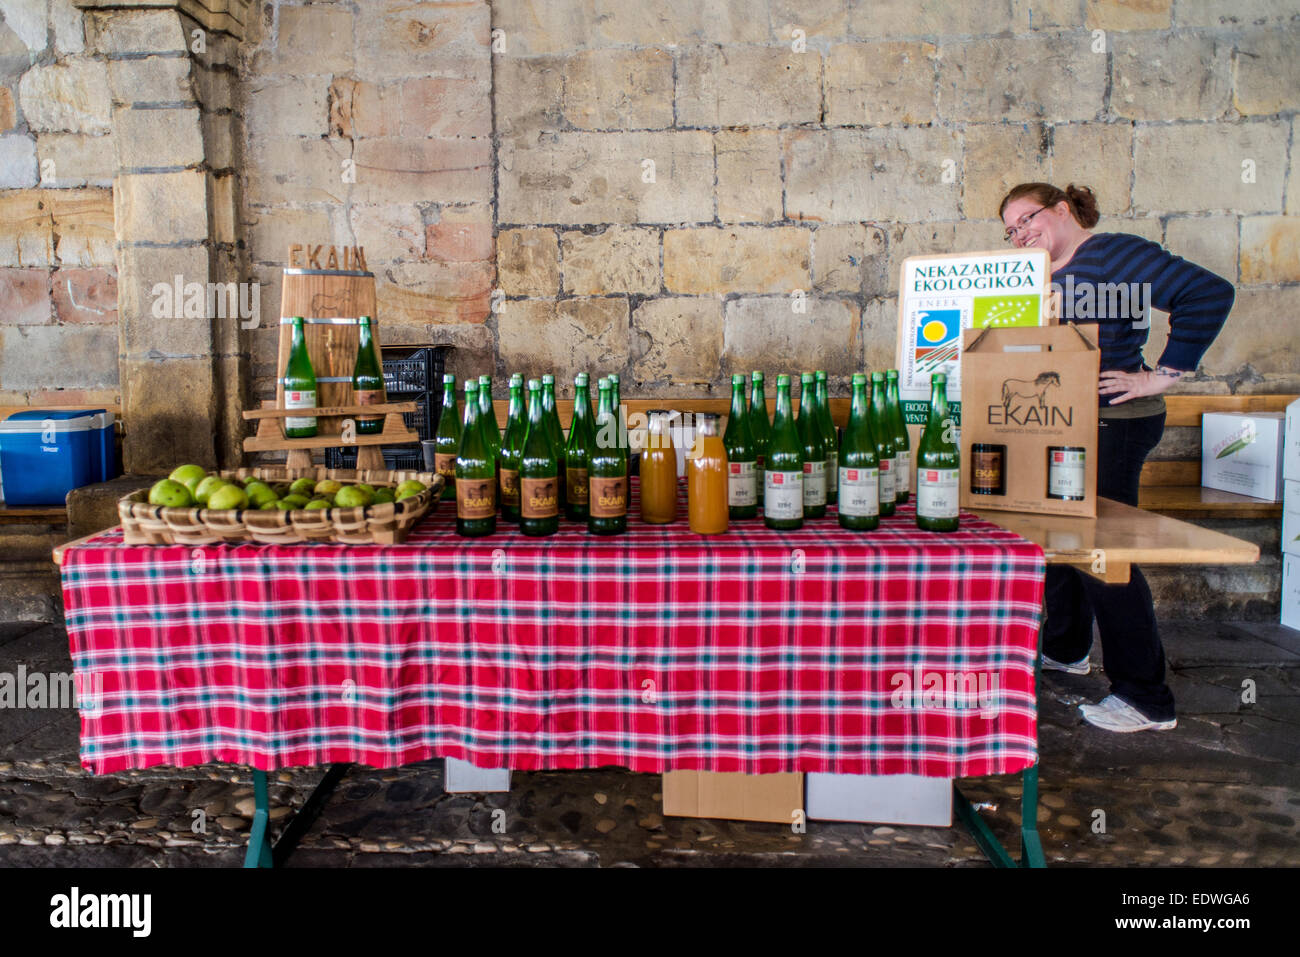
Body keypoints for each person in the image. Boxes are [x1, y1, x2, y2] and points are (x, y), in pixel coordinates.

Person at [998, 182, 1234, 733]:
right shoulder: (1034, 274)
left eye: (1027, 219)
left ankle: (1145, 698)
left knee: (1104, 552)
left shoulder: (1114, 254)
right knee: (1060, 537)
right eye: (1010, 230)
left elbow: (1208, 292)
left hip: (1113, 424)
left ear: (1062, 209)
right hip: (1057, 423)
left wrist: (1163, 375)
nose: (1020, 234)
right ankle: (1066, 649)